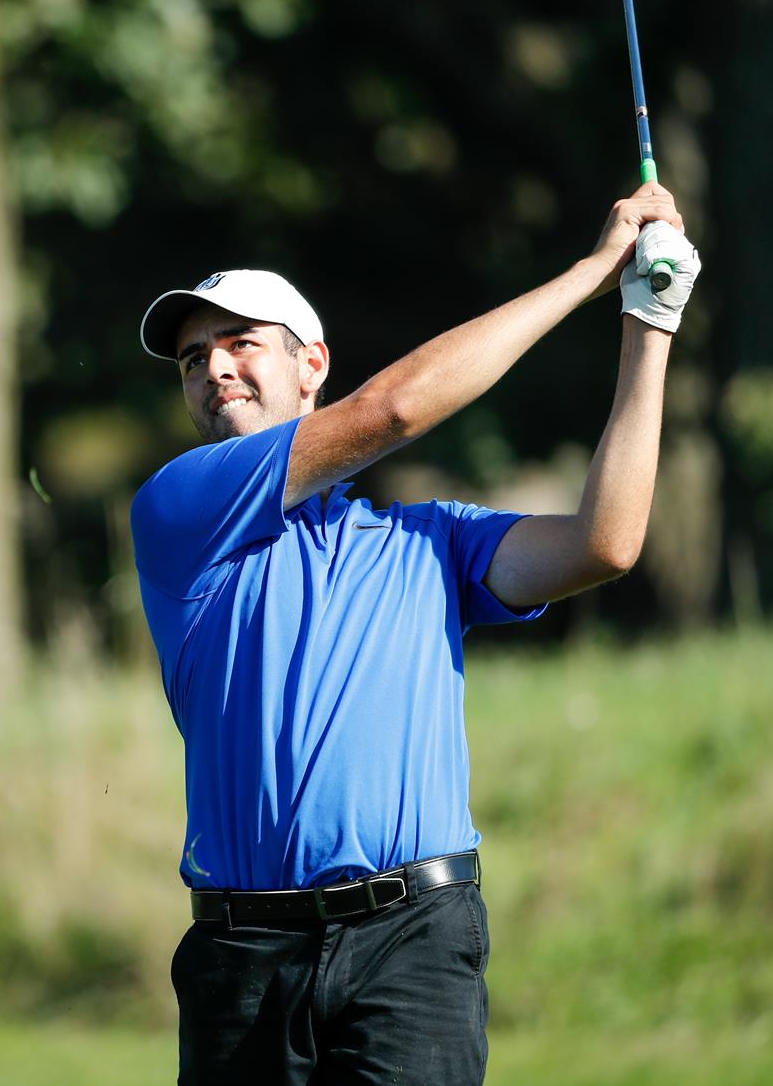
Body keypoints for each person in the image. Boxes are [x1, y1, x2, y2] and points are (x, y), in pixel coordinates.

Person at [129, 184, 700, 1085]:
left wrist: (647, 322)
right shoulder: (180, 509)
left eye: (240, 343)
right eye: (193, 358)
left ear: (311, 364)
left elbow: (606, 542)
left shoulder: (431, 539)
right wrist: (590, 273)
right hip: (243, 957)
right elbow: (389, 413)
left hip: (413, 944)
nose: (213, 368)